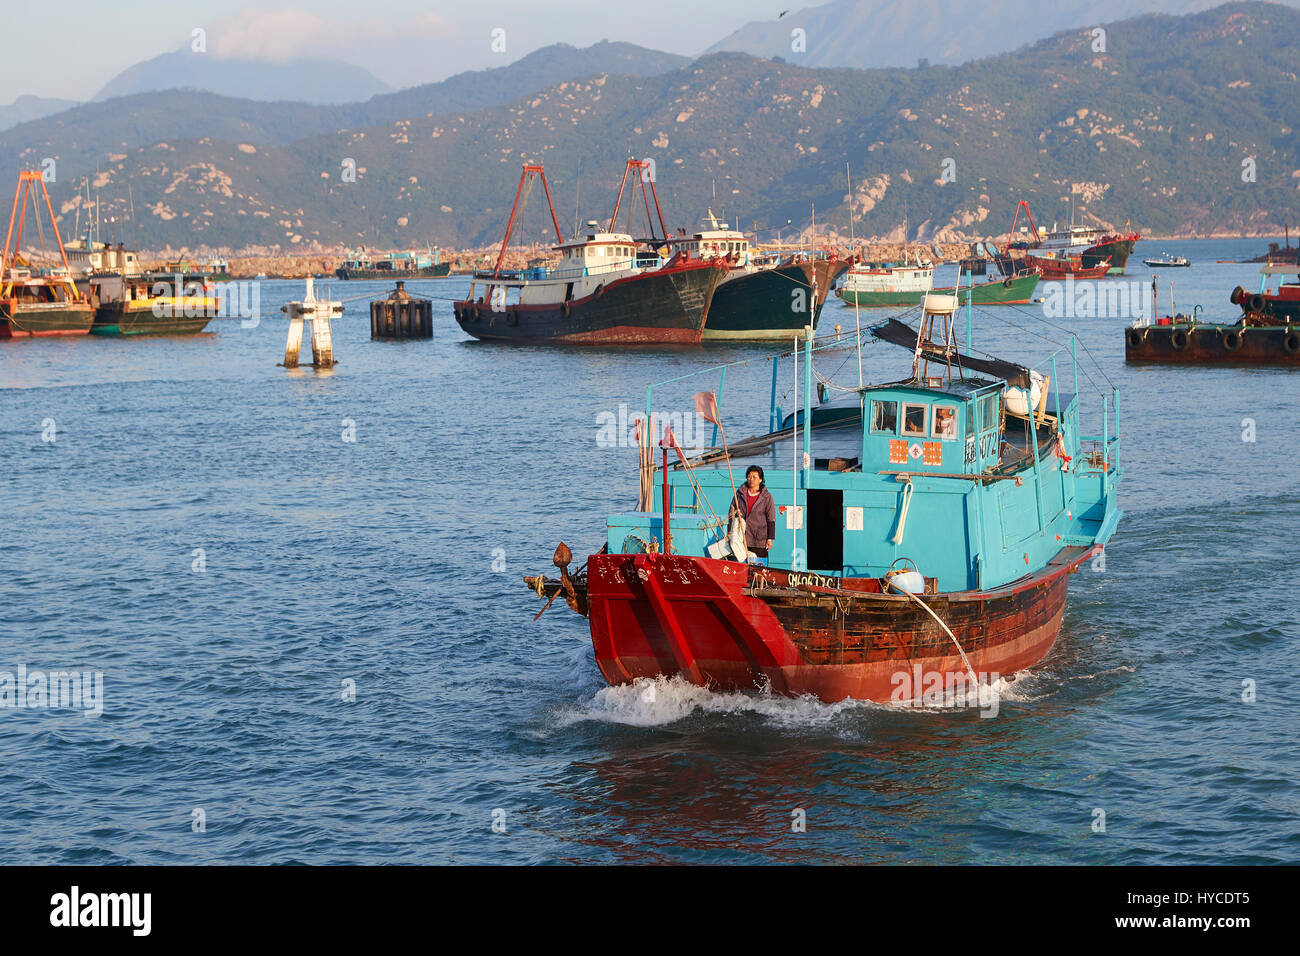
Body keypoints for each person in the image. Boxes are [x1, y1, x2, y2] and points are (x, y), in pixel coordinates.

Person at [731, 465, 776, 561]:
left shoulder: (767, 497)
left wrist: (770, 538)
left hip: (759, 539)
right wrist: (730, 532)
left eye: (754, 477)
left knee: (759, 567)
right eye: (749, 476)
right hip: (741, 538)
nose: (751, 479)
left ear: (760, 479)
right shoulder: (740, 494)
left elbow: (771, 518)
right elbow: (731, 513)